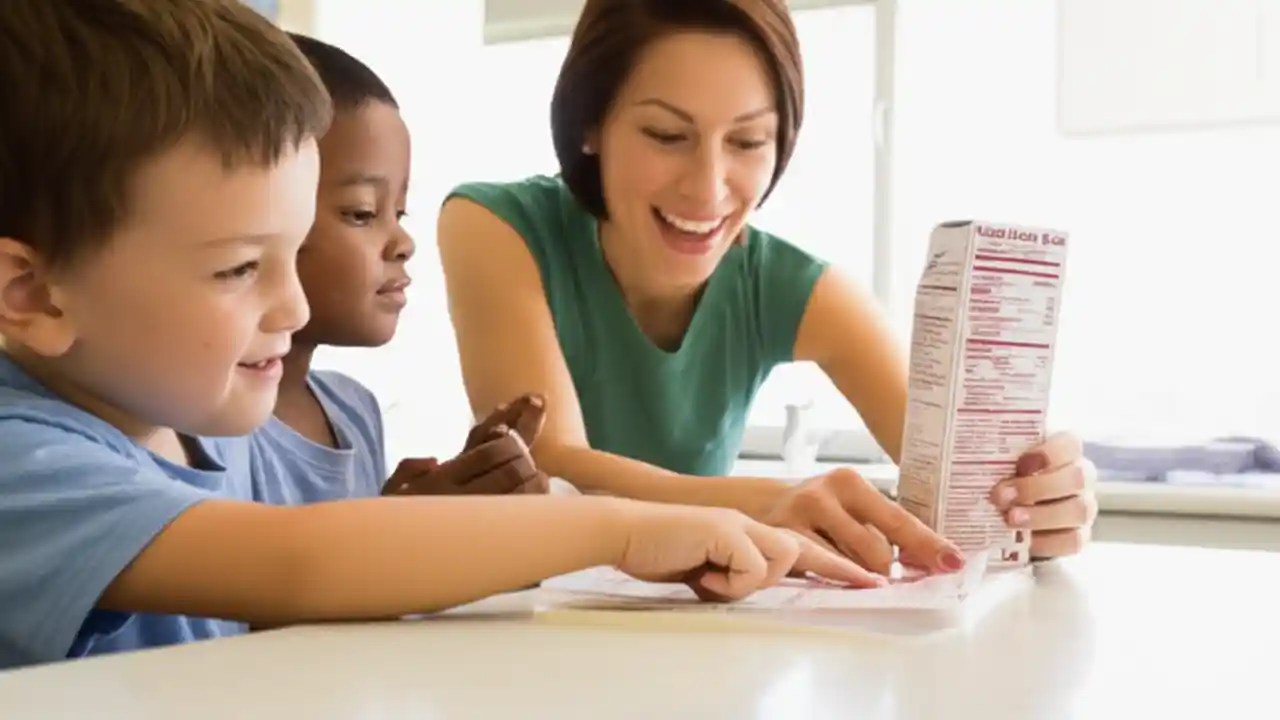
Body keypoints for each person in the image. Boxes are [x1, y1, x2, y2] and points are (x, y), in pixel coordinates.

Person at [0, 0, 869, 671]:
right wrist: (620, 530)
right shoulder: (23, 462)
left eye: (292, 252)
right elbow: (294, 564)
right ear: (31, 292)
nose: (295, 308)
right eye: (237, 269)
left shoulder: (194, 422)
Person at [437, 0, 1099, 572]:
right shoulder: (494, 226)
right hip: (532, 621)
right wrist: (771, 500)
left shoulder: (792, 285)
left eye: (749, 141)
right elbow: (550, 467)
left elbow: (968, 481)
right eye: (667, 135)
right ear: (589, 126)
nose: (708, 186)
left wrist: (1040, 502)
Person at [251, 32, 547, 505]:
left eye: (400, 213)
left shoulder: (353, 410)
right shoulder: (208, 428)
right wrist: (404, 526)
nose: (403, 243)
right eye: (362, 213)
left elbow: (362, 569)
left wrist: (447, 502)